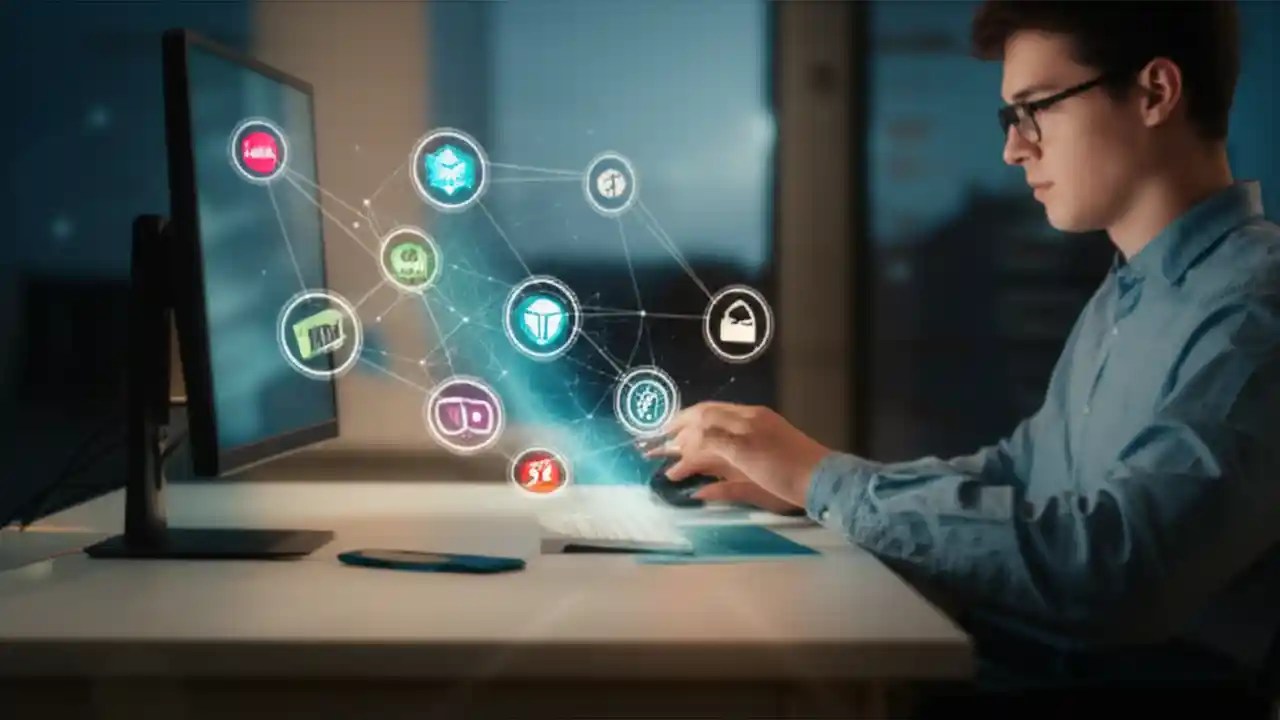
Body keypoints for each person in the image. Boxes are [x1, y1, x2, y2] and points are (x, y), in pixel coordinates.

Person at [647, 0, 1280, 707]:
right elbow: (1021, 473)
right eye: (1011, 118)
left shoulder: (1254, 308)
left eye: (1036, 108)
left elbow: (1114, 568)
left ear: (1155, 92)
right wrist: (819, 490)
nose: (1014, 149)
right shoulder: (1130, 291)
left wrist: (827, 483)